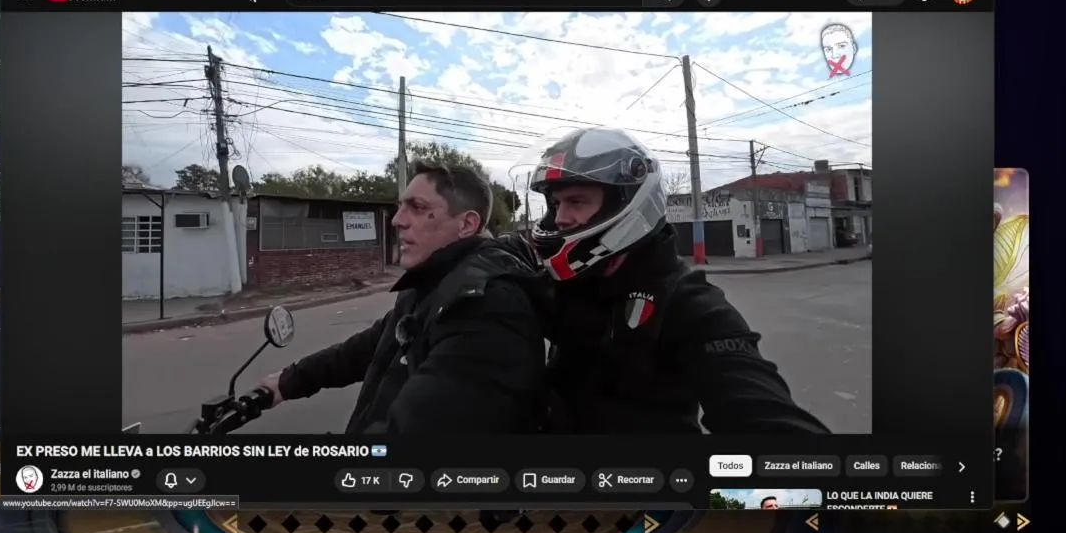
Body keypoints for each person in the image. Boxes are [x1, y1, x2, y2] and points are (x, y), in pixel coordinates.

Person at [507, 127, 830, 434]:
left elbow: (759, 408)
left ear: (627, 202)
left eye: (576, 202)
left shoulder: (688, 302)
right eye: (556, 204)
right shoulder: (572, 281)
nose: (561, 217)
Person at [256, 161, 548, 434]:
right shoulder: (431, 282)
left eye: (417, 207)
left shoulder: (485, 306)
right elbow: (368, 347)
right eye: (400, 207)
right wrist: (287, 382)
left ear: (466, 224)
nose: (397, 220)